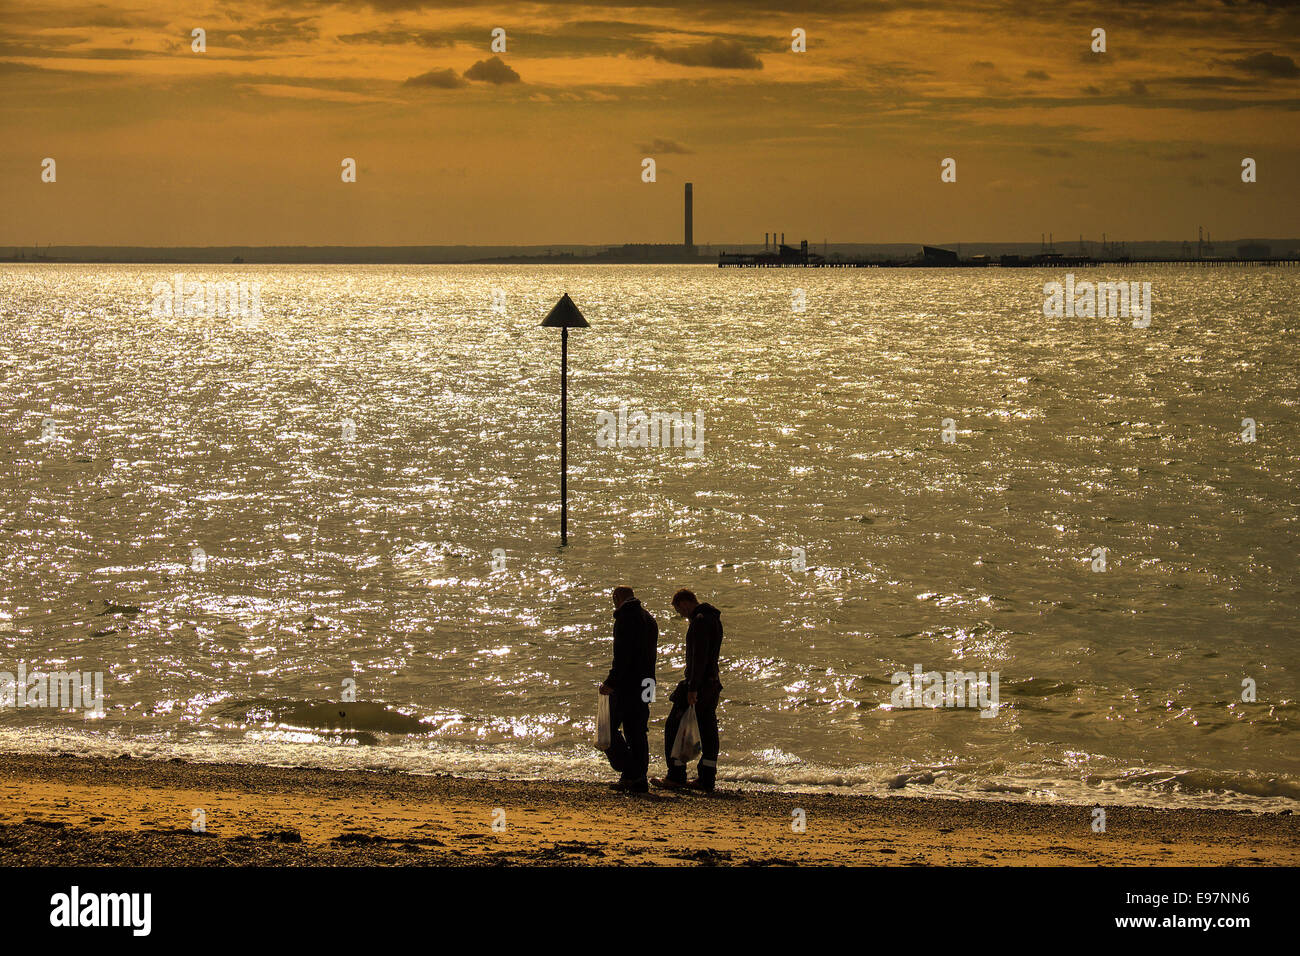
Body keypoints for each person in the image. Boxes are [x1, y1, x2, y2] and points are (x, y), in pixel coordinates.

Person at [652, 589, 724, 792]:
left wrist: (692, 687)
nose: (681, 614)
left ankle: (676, 774)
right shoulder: (714, 619)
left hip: (698, 685)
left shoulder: (699, 621)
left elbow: (697, 657)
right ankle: (707, 778)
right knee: (708, 731)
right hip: (712, 683)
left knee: (674, 726)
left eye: (679, 610)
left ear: (684, 603)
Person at [599, 586, 658, 793]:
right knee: (638, 730)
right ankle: (637, 776)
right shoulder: (649, 618)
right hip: (648, 683)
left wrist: (611, 682)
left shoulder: (625, 618)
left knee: (609, 727)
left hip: (629, 683)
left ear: (617, 598)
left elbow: (623, 656)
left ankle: (628, 768)